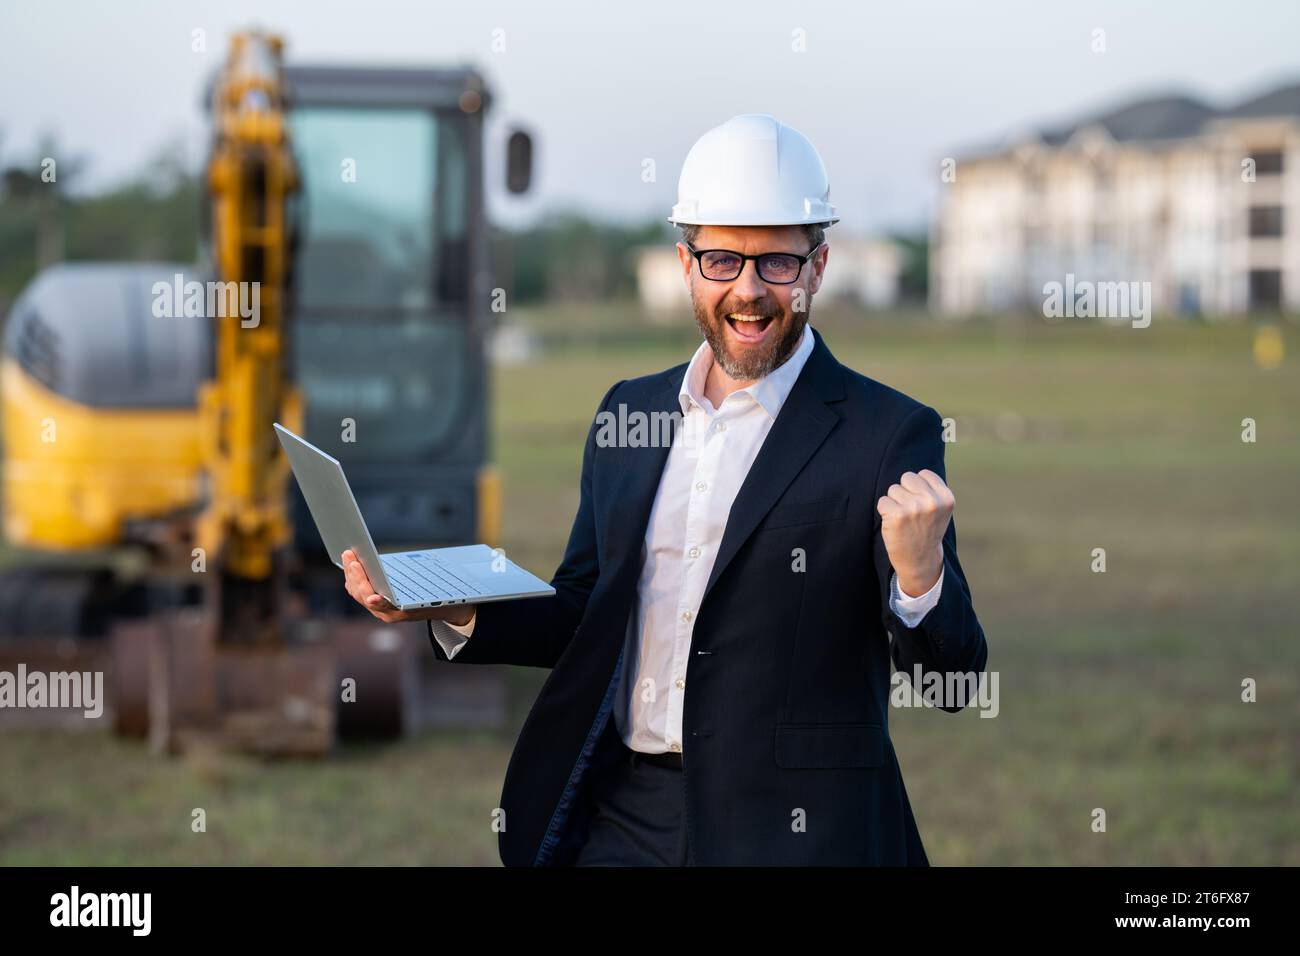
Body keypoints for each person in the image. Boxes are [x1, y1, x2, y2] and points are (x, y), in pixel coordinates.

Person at [342, 114, 988, 866]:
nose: (748, 293)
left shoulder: (887, 431)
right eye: (721, 260)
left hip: (793, 833)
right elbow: (586, 608)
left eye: (776, 263)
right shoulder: (630, 412)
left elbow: (950, 684)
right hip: (623, 816)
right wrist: (450, 605)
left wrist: (921, 578)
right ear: (686, 264)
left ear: (817, 267)